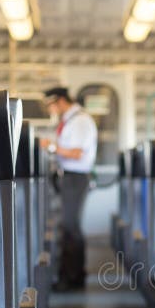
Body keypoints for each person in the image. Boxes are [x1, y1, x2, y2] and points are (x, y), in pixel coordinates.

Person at [40, 86, 98, 290]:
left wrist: (52, 147)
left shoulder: (81, 120)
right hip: (68, 176)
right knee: (68, 226)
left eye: (50, 105)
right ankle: (71, 274)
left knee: (70, 225)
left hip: (76, 177)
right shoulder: (70, 120)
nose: (50, 110)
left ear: (60, 101)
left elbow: (77, 153)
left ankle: (73, 277)